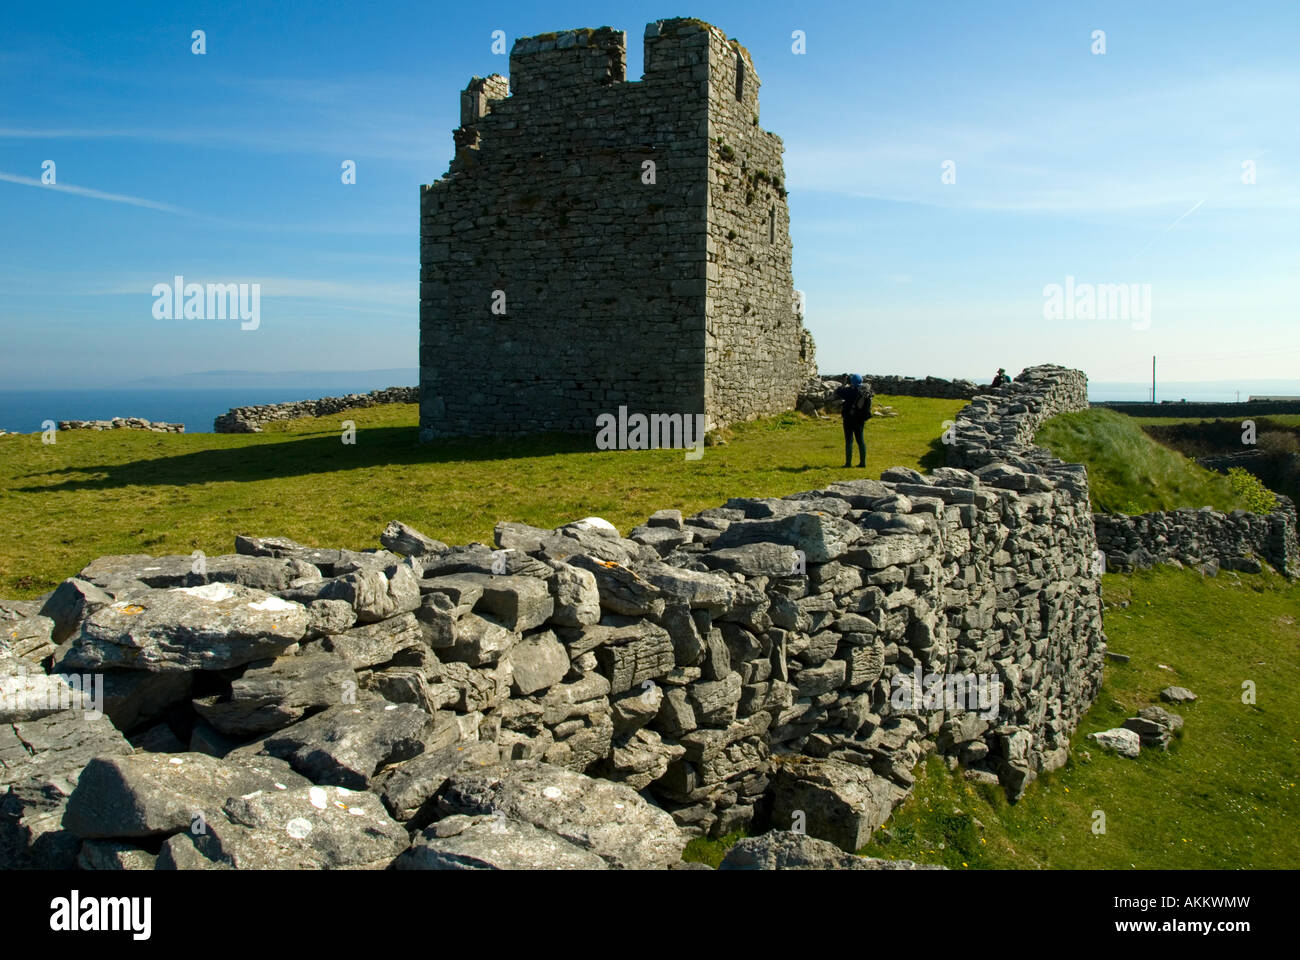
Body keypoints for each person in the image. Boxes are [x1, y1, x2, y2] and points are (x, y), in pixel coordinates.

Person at [834, 374, 871, 468]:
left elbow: (838, 391)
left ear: (851, 382)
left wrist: (844, 383)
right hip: (860, 420)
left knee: (849, 441)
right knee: (861, 441)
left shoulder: (848, 391)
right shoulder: (865, 392)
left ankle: (848, 463)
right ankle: (863, 463)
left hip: (848, 418)